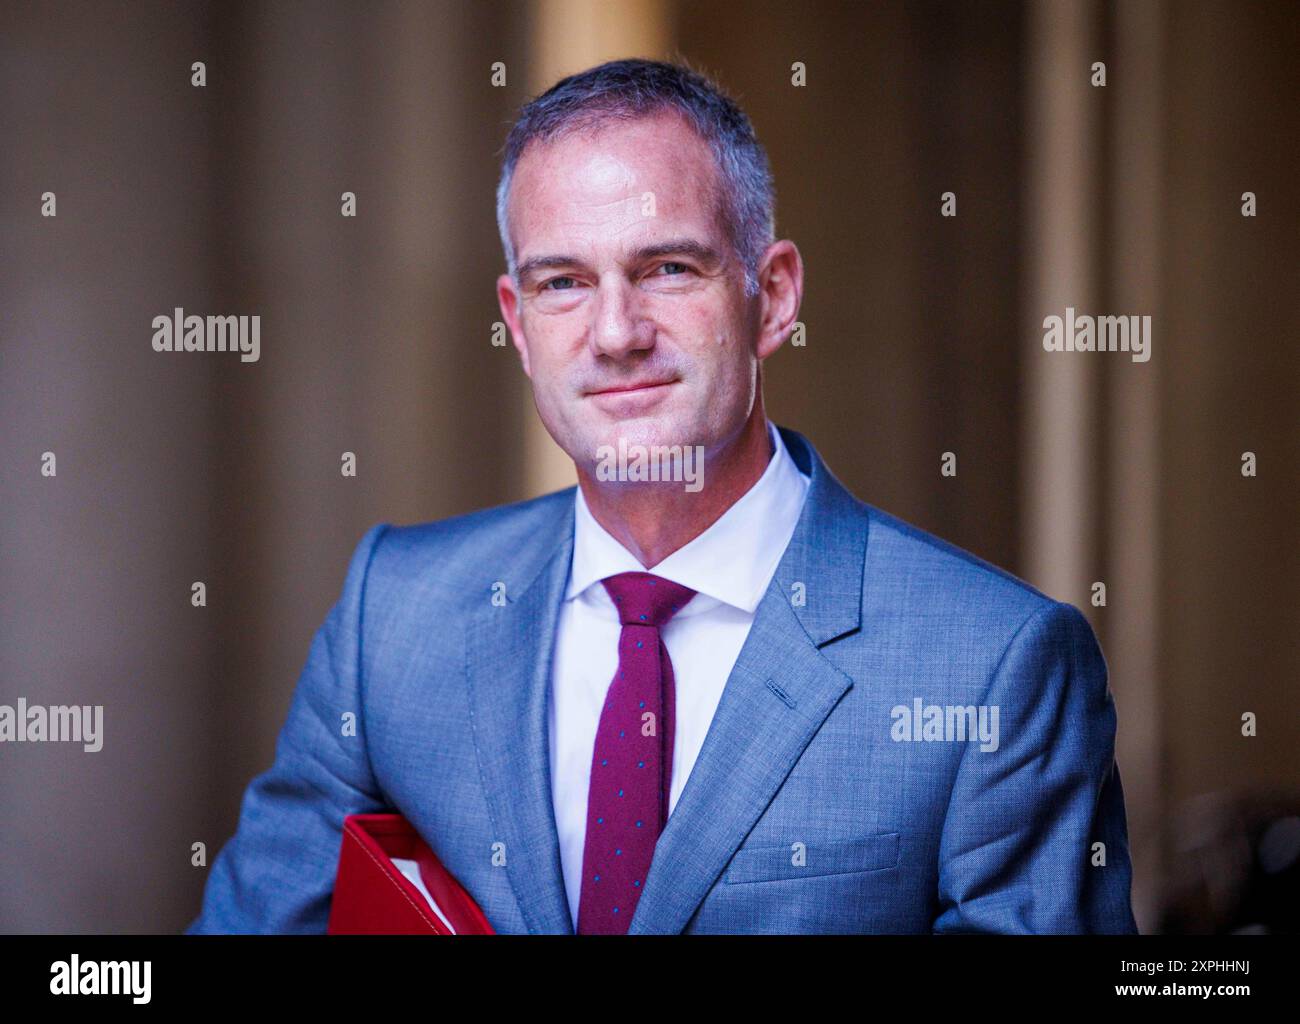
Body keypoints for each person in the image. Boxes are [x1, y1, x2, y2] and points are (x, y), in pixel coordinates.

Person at [187, 58, 1137, 934]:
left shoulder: (995, 666)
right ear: (516, 325)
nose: (615, 332)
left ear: (773, 296)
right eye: (563, 282)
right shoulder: (392, 615)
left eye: (667, 269)